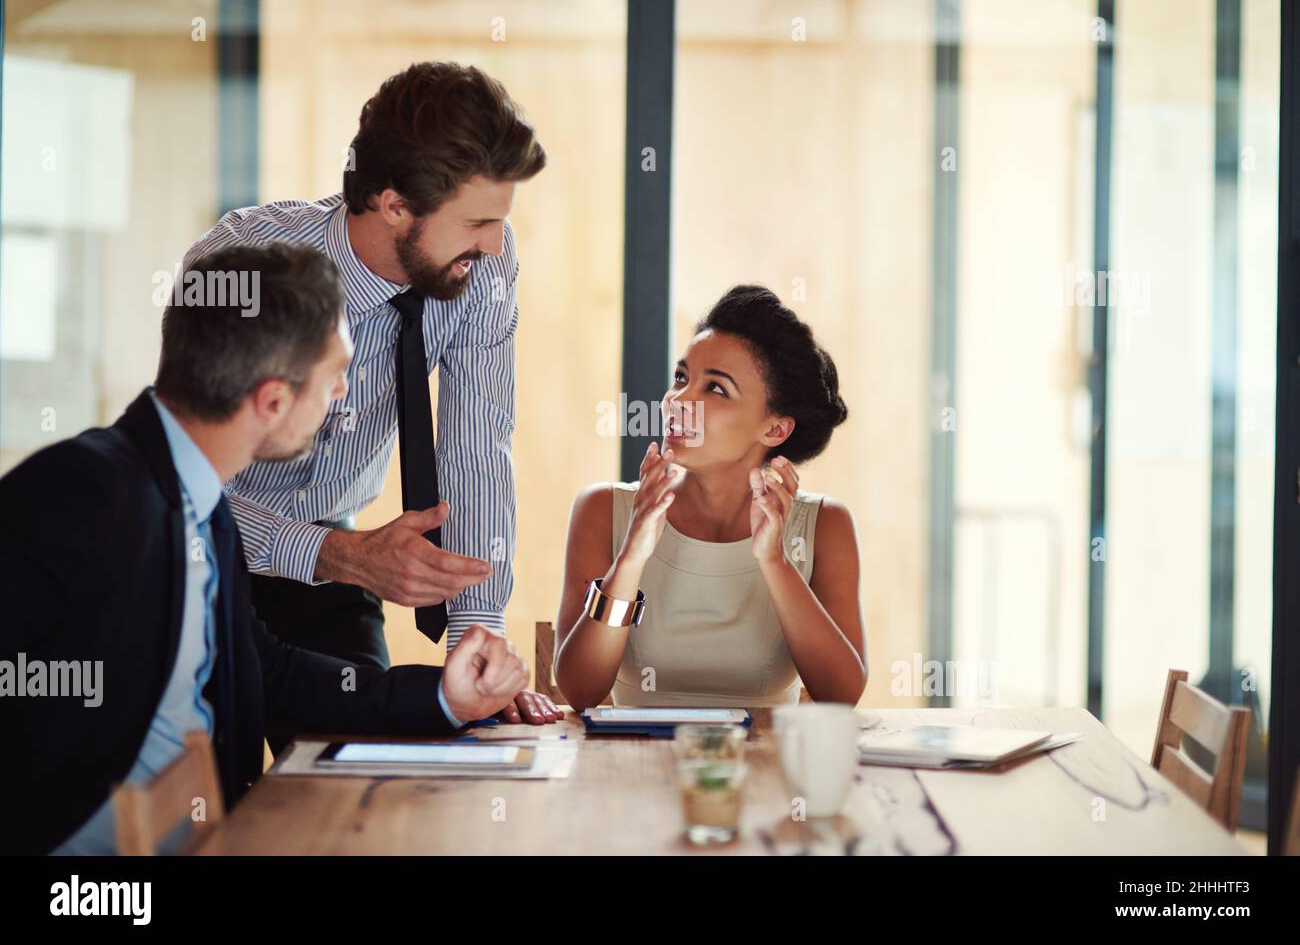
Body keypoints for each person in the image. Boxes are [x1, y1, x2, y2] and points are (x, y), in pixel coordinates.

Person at [0, 243, 530, 855]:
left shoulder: (202, 499)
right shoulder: (77, 496)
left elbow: (266, 671)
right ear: (273, 402)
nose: (341, 395)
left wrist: (441, 698)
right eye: (335, 376)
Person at [182, 61, 558, 732]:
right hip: (207, 559)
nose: (495, 244)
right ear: (392, 204)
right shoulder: (243, 264)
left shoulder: (483, 269)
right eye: (476, 222)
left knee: (374, 770)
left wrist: (476, 641)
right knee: (224, 801)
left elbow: (476, 447)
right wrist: (337, 553)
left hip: (339, 574)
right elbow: (186, 466)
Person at [554, 285, 868, 710]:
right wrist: (631, 557)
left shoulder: (825, 525)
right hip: (631, 767)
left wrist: (774, 560)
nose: (678, 401)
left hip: (763, 771)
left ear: (775, 429)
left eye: (716, 389)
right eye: (681, 378)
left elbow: (841, 694)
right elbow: (580, 690)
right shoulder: (603, 510)